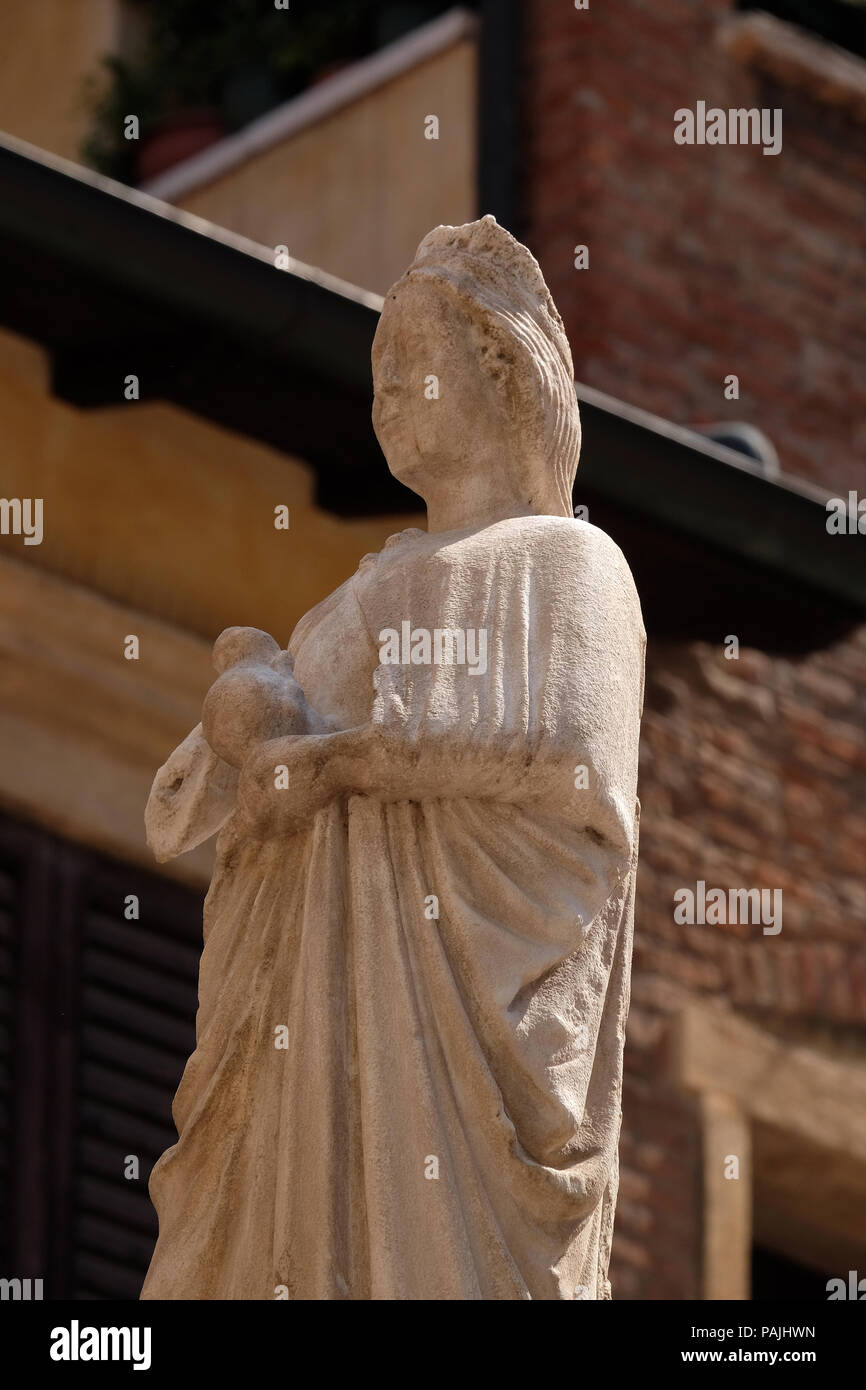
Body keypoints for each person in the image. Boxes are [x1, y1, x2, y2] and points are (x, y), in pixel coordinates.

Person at [141, 216, 645, 1300]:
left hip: (462, 1042)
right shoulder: (352, 596)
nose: (383, 393)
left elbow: (566, 761)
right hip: (311, 1018)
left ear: (497, 369)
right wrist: (248, 724)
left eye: (409, 364)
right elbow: (214, 789)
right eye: (374, 371)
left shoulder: (571, 563)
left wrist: (340, 764)